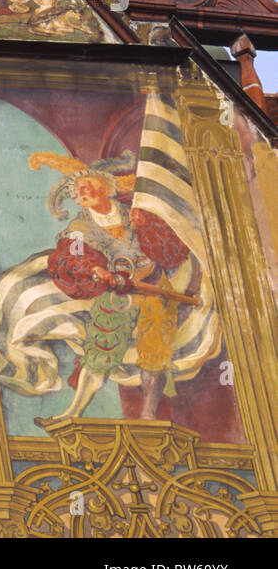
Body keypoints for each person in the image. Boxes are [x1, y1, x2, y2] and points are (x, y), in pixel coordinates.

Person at [36, 167, 194, 425]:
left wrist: (146, 224)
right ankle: (74, 411)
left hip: (153, 283)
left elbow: (171, 240)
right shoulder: (80, 227)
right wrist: (95, 268)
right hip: (118, 288)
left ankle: (148, 414)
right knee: (99, 348)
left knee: (155, 347)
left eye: (87, 185)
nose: (81, 191)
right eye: (78, 190)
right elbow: (72, 254)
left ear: (105, 187)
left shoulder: (134, 211)